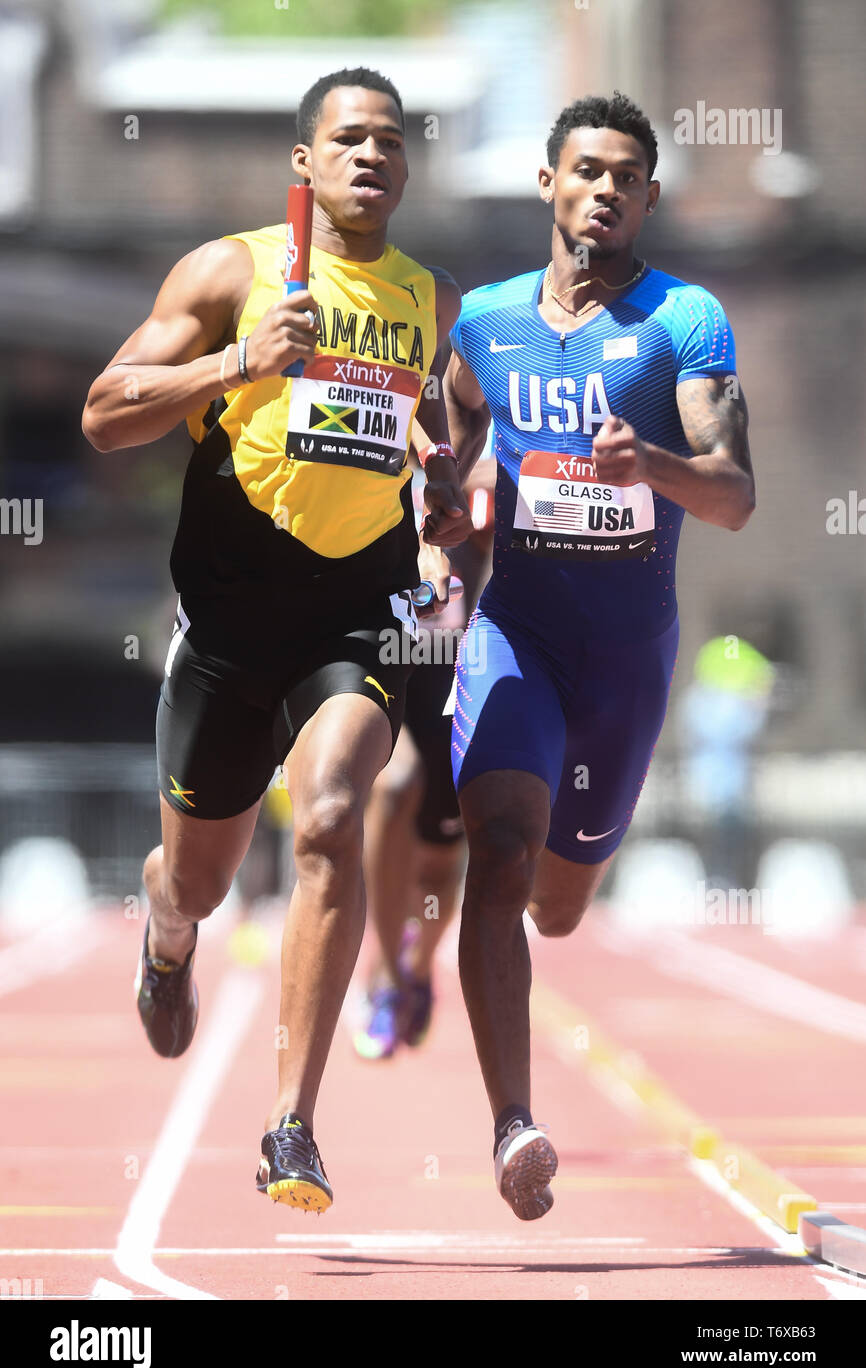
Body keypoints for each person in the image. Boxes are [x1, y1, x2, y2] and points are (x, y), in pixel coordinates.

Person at [82, 67, 471, 1214]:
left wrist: (445, 486)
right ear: (302, 163)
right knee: (198, 878)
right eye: (347, 139)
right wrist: (234, 365)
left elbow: (445, 426)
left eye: (390, 142)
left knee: (336, 814)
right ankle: (164, 931)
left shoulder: (429, 299)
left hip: (356, 616)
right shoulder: (231, 270)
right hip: (228, 622)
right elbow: (107, 412)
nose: (371, 157)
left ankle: (290, 1122)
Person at [443, 92, 755, 1220]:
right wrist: (449, 497)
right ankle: (513, 1125)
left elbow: (732, 496)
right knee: (502, 853)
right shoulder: (481, 320)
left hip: (626, 655)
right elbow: (454, 430)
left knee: (559, 906)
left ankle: (547, 892)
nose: (604, 189)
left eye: (626, 174)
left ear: (649, 197)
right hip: (514, 631)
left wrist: (649, 468)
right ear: (547, 184)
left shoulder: (686, 322)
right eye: (585, 169)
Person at [355, 451, 496, 1060]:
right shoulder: (376, 423)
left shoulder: (495, 430)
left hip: (453, 670)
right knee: (392, 786)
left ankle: (417, 965)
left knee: (440, 867)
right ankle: (386, 976)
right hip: (383, 659)